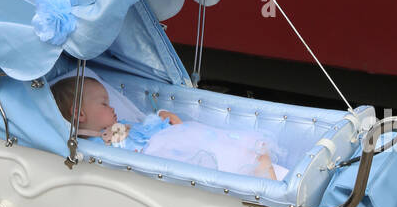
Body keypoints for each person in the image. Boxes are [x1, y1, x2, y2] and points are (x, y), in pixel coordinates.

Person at [52, 77, 288, 180]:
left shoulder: (117, 128)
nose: (113, 109)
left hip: (166, 141)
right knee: (206, 156)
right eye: (104, 104)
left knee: (210, 142)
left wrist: (161, 118)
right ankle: (260, 174)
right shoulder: (87, 147)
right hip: (158, 155)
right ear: (78, 114)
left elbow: (142, 130)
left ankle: (258, 166)